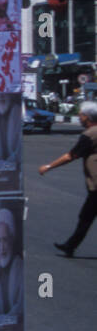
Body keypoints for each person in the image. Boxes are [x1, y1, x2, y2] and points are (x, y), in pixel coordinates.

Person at [39, 101, 97, 256]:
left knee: (86, 217)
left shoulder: (90, 135)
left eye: (81, 115)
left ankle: (70, 245)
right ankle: (70, 245)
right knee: (86, 216)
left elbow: (71, 156)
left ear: (87, 117)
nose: (79, 118)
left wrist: (49, 166)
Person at [0, 208, 24, 318]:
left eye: (5, 240)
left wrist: (4, 320)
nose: (2, 247)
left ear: (12, 239)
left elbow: (20, 306)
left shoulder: (20, 266)